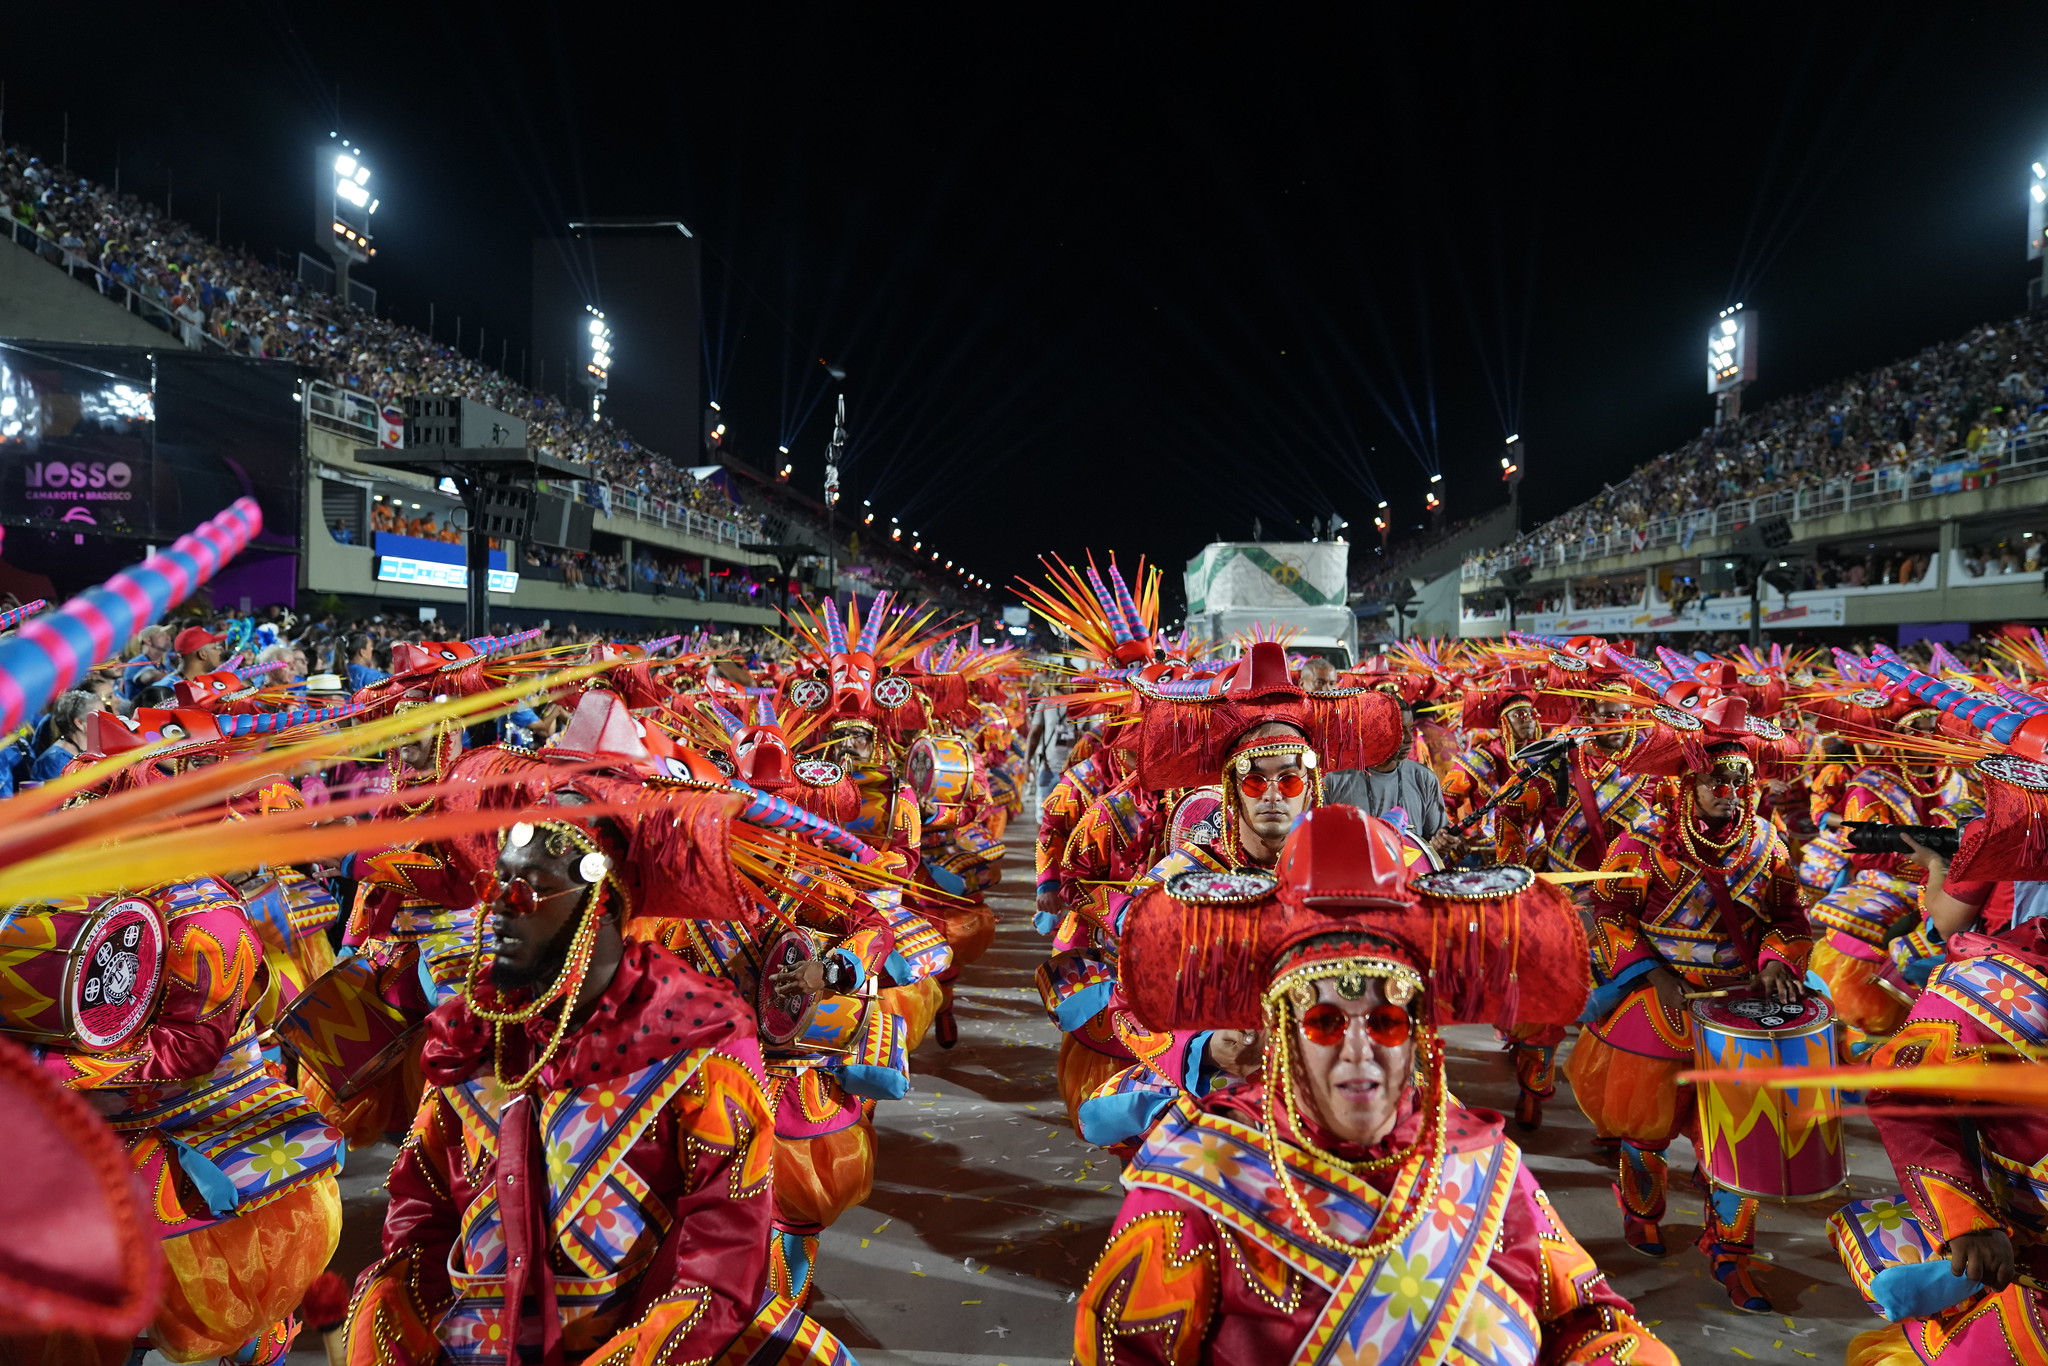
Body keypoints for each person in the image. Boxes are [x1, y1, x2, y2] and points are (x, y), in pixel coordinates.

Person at [1072, 805, 1677, 1366]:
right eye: (1324, 1020)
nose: (1357, 1053)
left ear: (1418, 1033)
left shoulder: (1481, 1164)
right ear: (1282, 1030)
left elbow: (1585, 1318)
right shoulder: (1198, 1185)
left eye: (1386, 1022)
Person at [343, 766, 855, 1365]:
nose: (497, 912)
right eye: (496, 886)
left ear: (602, 904)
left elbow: (720, 1271)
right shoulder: (475, 1036)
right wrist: (403, 1319)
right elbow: (421, 1209)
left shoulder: (698, 1052)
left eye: (527, 891)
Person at [1569, 690, 1812, 1312]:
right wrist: (1653, 973)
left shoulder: (1767, 845)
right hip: (1661, 1008)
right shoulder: (1641, 843)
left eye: (1739, 781)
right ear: (1688, 784)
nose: (1728, 794)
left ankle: (1732, 1254)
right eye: (1715, 783)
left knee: (1739, 1142)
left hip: (1737, 1010)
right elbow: (1610, 915)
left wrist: (1778, 962)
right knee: (1644, 1132)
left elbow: (1789, 918)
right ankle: (1643, 1212)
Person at [31, 687, 101, 783]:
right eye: (100, 716)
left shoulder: (96, 750)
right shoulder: (54, 761)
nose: (107, 721)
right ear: (80, 723)